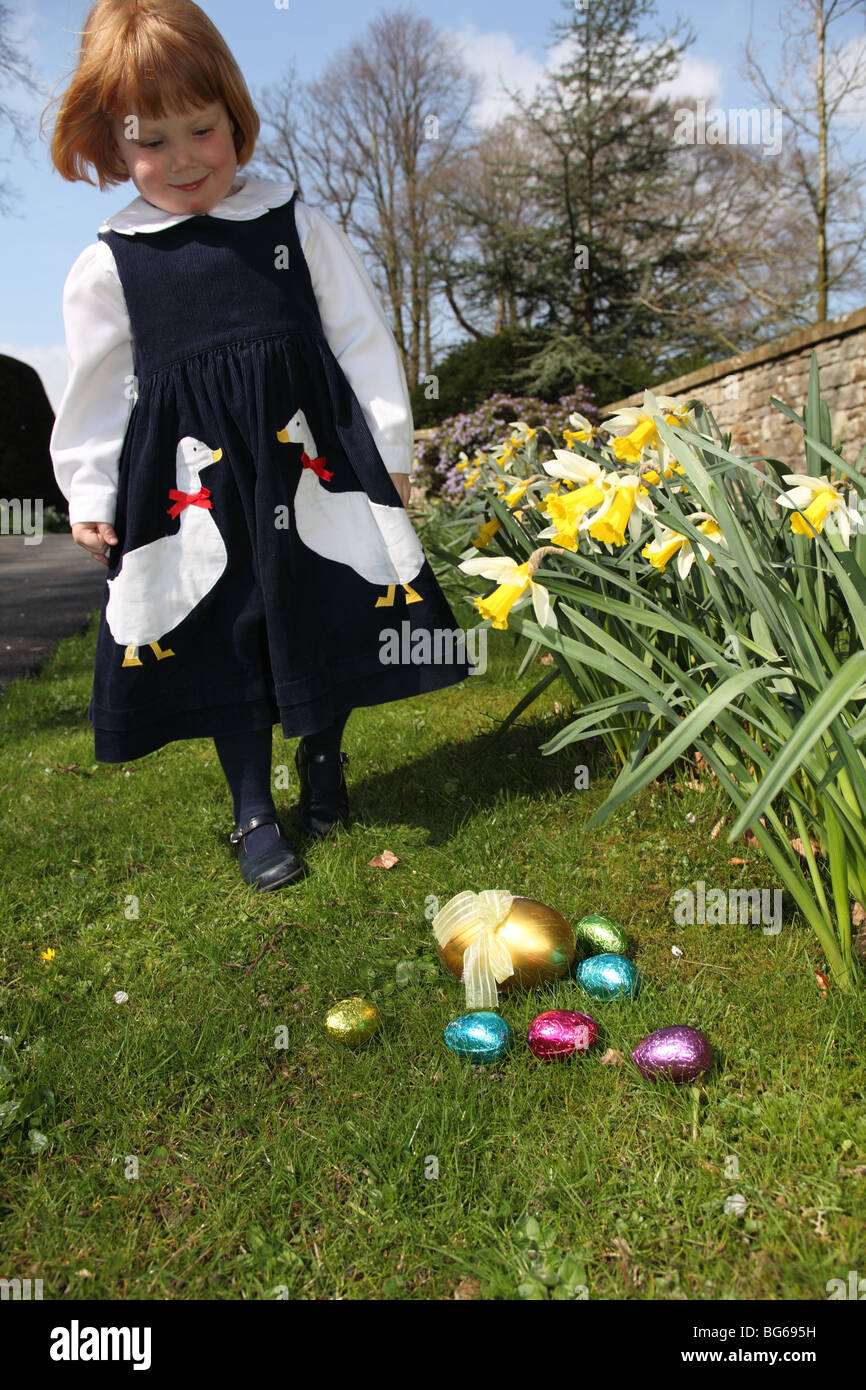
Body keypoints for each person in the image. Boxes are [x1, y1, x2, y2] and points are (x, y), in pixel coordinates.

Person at [44, 0, 472, 891]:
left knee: (321, 605)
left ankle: (323, 759)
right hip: (192, 480)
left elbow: (361, 335)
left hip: (300, 449)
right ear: (114, 147)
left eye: (202, 129)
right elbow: (93, 398)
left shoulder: (293, 225)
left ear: (235, 118)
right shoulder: (112, 263)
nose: (183, 158)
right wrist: (90, 494)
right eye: (151, 141)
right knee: (222, 631)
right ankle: (250, 808)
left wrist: (387, 445)